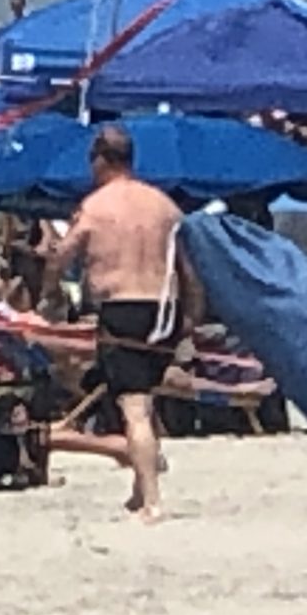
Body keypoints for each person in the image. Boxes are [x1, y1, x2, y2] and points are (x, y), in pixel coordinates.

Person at [39, 126, 190, 523]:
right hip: (164, 308)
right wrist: (191, 316)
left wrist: (51, 294)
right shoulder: (165, 206)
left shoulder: (95, 206)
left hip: (122, 307)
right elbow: (188, 265)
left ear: (100, 160)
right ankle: (141, 488)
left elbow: (61, 255)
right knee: (146, 396)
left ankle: (153, 501)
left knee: (134, 408)